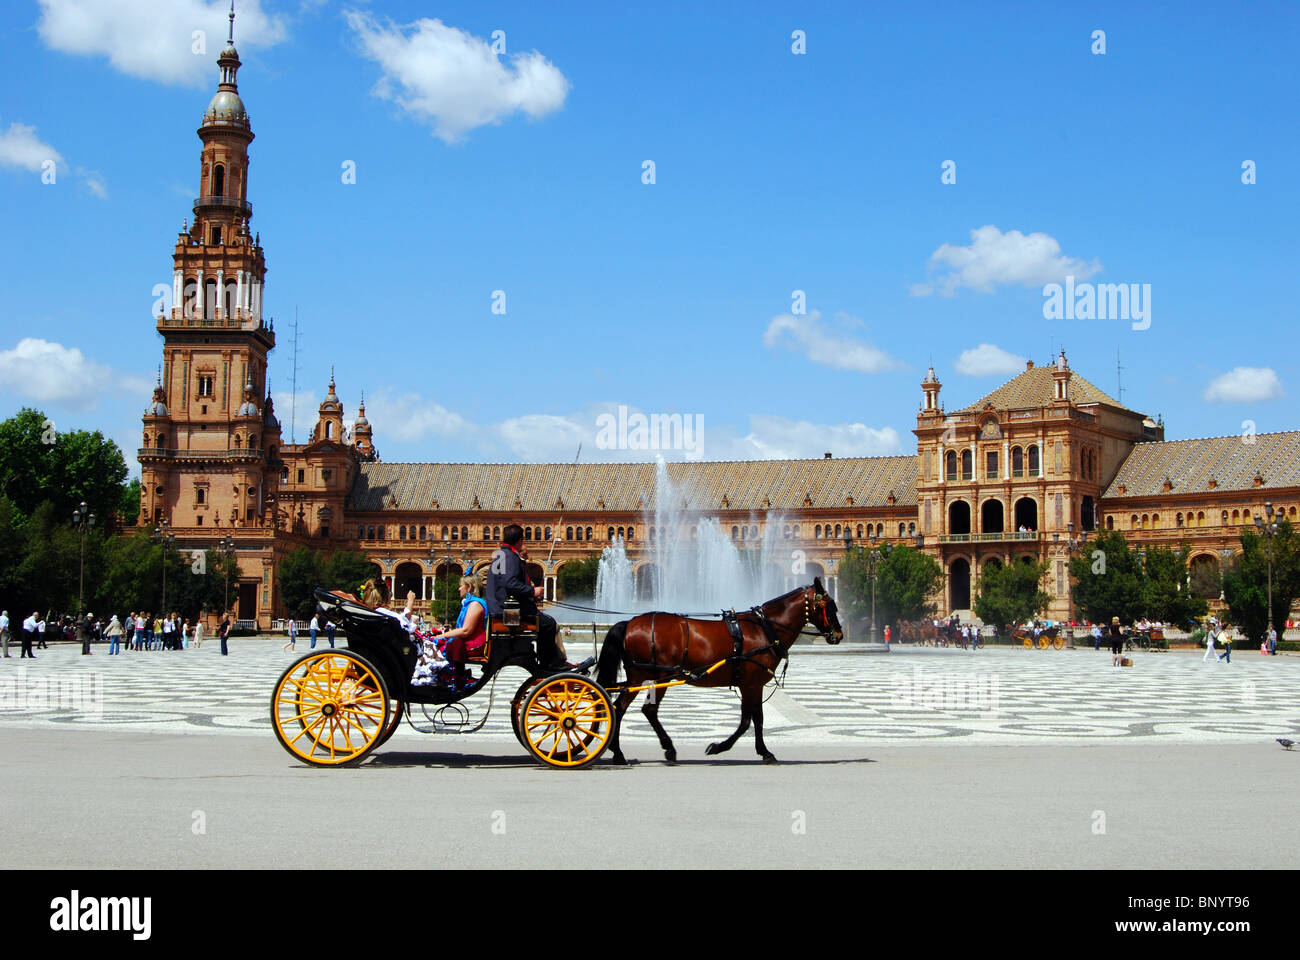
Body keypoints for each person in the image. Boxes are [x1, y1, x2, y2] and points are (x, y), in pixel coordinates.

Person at [486, 523, 565, 670]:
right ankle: (549, 664)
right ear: (519, 541)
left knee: (546, 622)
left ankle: (550, 662)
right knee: (548, 624)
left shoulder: (501, 555)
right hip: (509, 613)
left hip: (499, 609)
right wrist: (532, 592)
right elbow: (509, 583)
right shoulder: (510, 557)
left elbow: (503, 585)